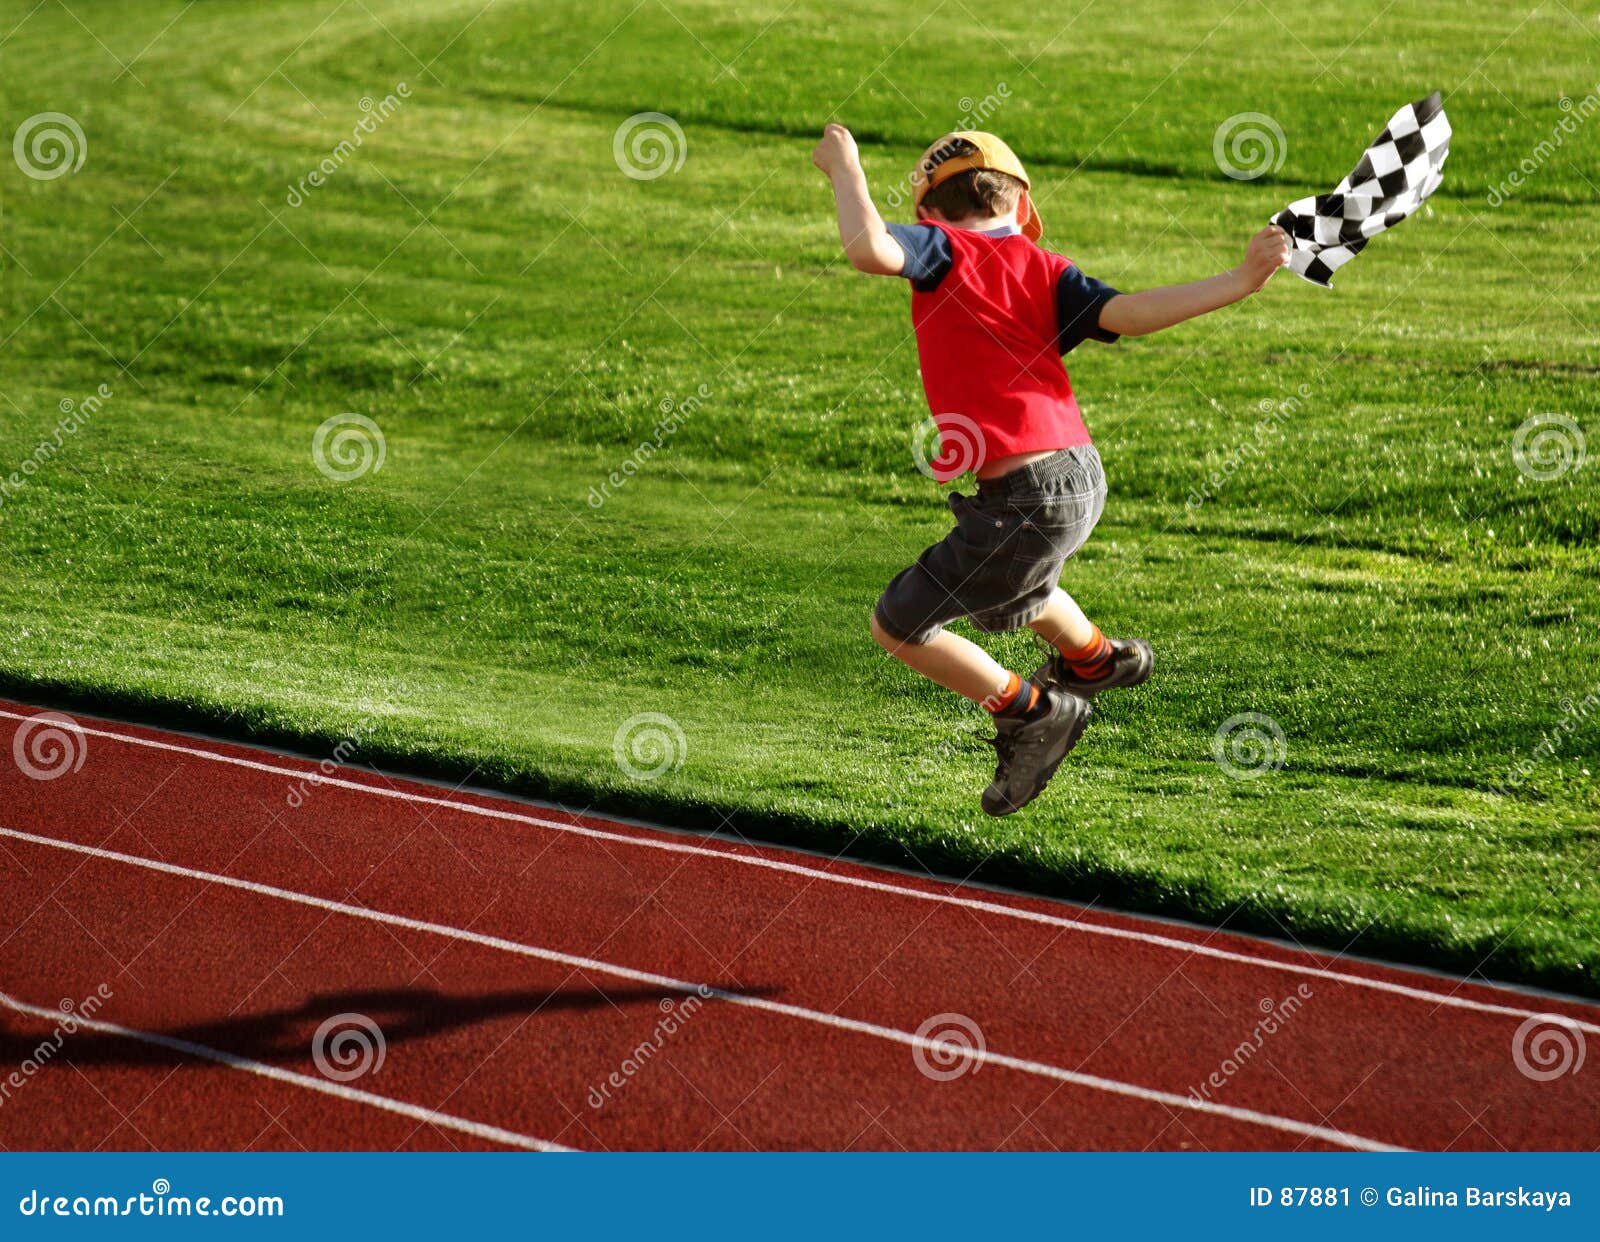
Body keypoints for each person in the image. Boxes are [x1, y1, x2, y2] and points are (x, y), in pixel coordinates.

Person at [812, 124, 1290, 815]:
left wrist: (844, 167)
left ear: (927, 211)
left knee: (899, 624)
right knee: (1010, 591)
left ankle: (1032, 711)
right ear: (1023, 206)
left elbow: (867, 250)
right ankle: (1098, 660)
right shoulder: (1045, 267)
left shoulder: (945, 249)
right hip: (1077, 474)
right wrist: (1241, 281)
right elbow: (1130, 314)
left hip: (1025, 495)